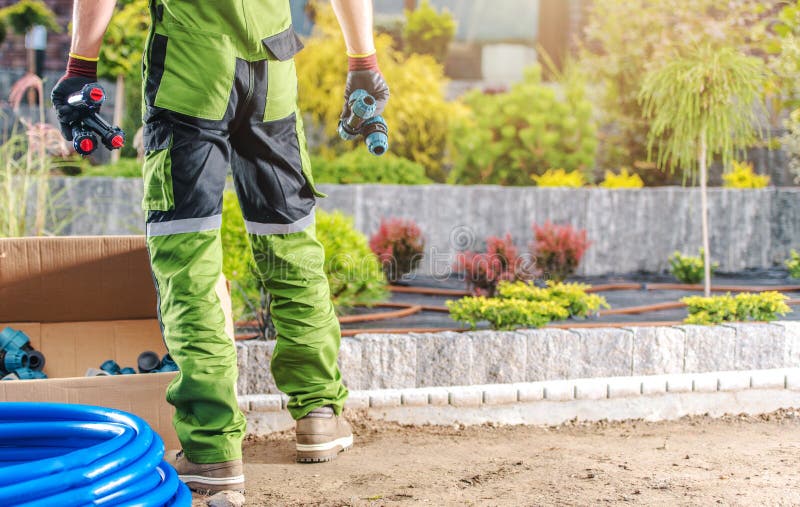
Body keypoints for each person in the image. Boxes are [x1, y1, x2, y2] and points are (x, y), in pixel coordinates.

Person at [52, 0, 389, 495]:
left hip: (192, 69)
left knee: (188, 257)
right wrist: (363, 61)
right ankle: (318, 412)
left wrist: (81, 66)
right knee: (290, 243)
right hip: (272, 67)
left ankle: (212, 450)